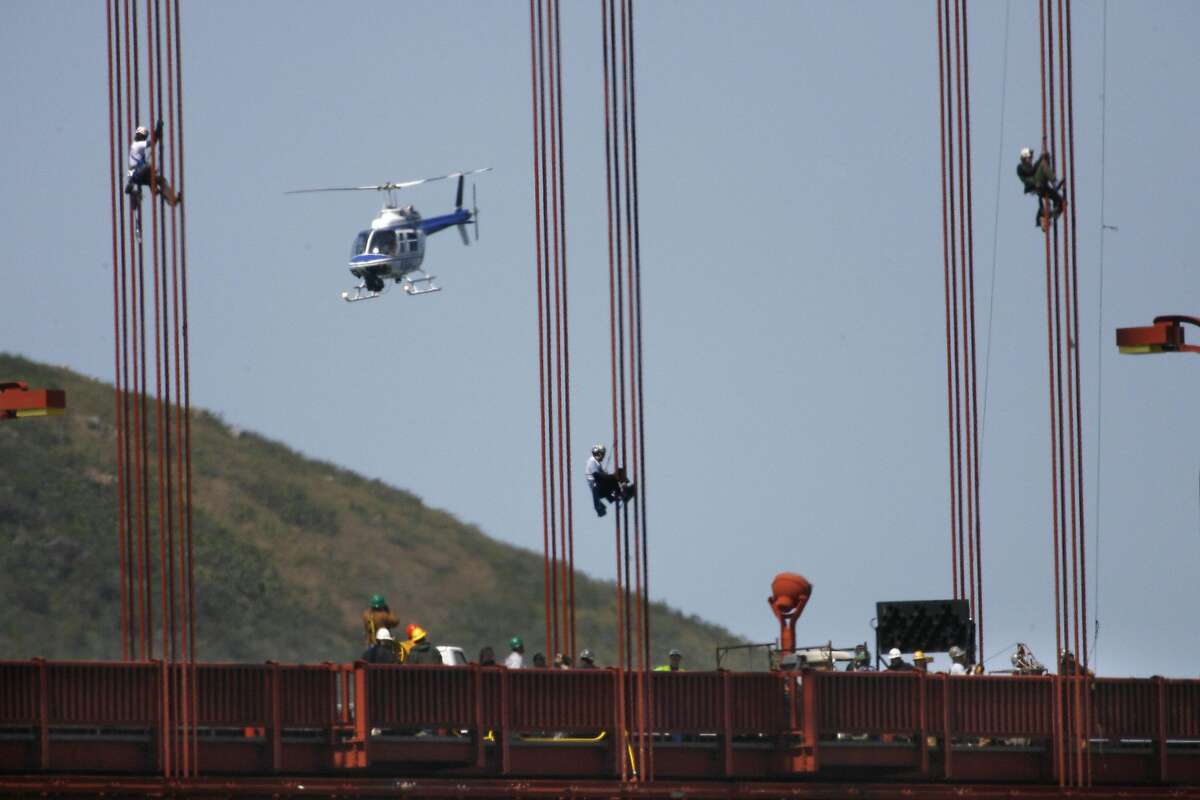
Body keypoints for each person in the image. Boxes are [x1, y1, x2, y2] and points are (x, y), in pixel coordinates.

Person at [125, 120, 180, 207]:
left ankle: (172, 200)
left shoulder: (139, 150)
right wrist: (158, 130)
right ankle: (153, 189)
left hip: (141, 176)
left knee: (161, 180)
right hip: (138, 174)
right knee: (148, 167)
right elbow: (153, 142)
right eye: (143, 137)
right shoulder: (136, 145)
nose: (144, 139)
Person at [1016, 147, 1065, 228]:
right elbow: (1031, 171)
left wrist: (1045, 158)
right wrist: (1041, 158)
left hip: (1041, 185)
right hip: (1037, 184)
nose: (1031, 158)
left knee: (1062, 202)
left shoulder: (1030, 166)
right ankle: (1055, 182)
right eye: (1029, 157)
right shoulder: (1020, 167)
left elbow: (1034, 169)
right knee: (1042, 164)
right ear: (1024, 158)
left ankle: (1051, 215)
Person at [585, 444, 635, 517]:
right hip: (599, 489)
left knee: (616, 476)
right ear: (598, 453)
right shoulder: (592, 461)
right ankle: (623, 493)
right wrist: (609, 476)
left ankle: (622, 494)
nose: (603, 456)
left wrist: (606, 474)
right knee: (618, 474)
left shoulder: (596, 463)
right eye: (603, 454)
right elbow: (597, 476)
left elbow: (599, 475)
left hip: (600, 489)